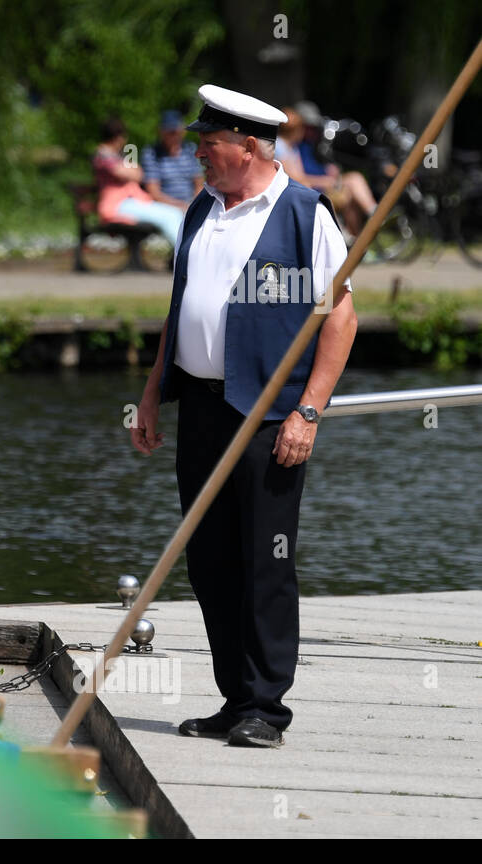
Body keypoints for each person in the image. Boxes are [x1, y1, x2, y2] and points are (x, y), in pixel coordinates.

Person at [129, 85, 358, 748]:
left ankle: (267, 707)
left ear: (249, 146)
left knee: (264, 559)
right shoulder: (203, 208)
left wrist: (308, 411)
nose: (198, 154)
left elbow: (340, 318)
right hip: (201, 406)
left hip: (268, 414)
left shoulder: (303, 213)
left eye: (210, 144)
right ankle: (235, 697)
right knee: (209, 561)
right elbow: (181, 314)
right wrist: (151, 395)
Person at [279, 103, 377, 238]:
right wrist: (324, 181)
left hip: (321, 183)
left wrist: (329, 169)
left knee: (355, 179)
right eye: (307, 127)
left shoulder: (311, 144)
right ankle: (350, 238)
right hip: (313, 188)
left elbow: (319, 165)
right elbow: (297, 178)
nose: (311, 131)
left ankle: (373, 216)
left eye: (312, 127)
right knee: (346, 195)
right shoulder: (288, 147)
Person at [93, 117, 184, 247]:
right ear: (119, 137)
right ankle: (184, 254)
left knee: (173, 213)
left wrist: (131, 169)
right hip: (116, 206)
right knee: (170, 215)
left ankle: (183, 253)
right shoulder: (103, 156)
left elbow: (138, 174)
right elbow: (133, 174)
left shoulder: (115, 156)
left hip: (126, 203)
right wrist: (131, 169)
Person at [140, 110, 205, 208]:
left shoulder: (191, 149)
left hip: (191, 204)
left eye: (176, 131)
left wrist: (193, 206)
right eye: (170, 132)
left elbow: (199, 184)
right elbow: (154, 192)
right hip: (164, 207)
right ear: (161, 132)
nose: (174, 135)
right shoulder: (151, 153)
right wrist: (181, 207)